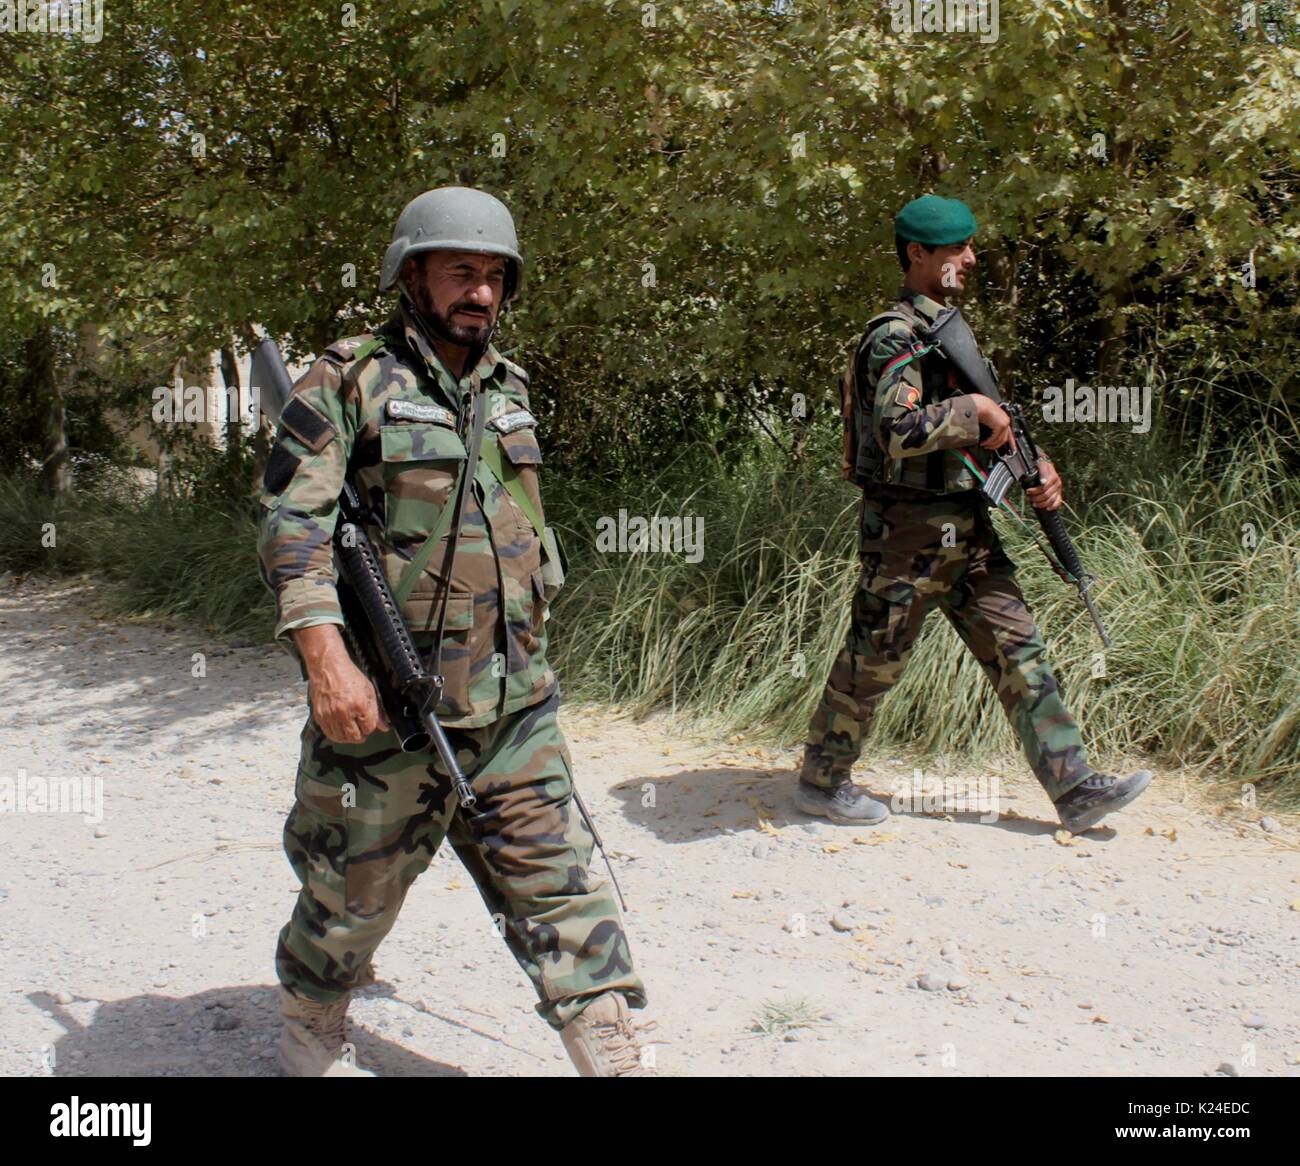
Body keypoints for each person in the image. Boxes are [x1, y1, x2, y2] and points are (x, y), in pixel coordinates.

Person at [258, 186, 651, 1077]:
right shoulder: (350, 380)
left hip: (512, 704)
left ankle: (607, 1041)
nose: (479, 292)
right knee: (351, 895)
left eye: (493, 276)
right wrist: (327, 659)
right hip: (390, 705)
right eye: (459, 272)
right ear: (413, 277)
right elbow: (293, 527)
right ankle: (316, 1007)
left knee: (559, 882)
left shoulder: (509, 390)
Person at [796, 194, 1151, 835]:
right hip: (904, 535)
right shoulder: (893, 337)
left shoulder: (947, 332)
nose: (971, 256)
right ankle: (822, 782)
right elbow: (896, 429)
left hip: (968, 529)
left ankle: (1074, 789)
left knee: (1020, 651)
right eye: (959, 247)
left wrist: (1035, 465)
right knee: (871, 664)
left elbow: (995, 420)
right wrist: (975, 415)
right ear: (918, 254)